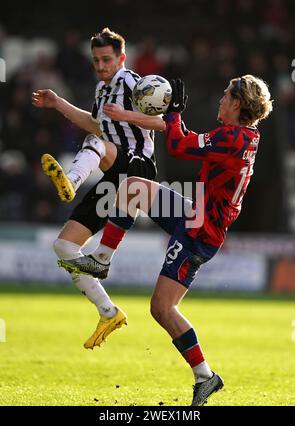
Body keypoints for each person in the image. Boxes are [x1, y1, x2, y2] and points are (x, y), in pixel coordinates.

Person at [58, 74, 273, 405]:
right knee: (132, 187)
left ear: (237, 104)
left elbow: (178, 144)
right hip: (195, 215)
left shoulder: (233, 138)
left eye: (225, 94)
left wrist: (172, 114)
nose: (220, 99)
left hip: (200, 233)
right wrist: (168, 118)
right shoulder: (241, 136)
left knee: (162, 308)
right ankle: (101, 260)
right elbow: (186, 139)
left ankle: (205, 376)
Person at [32, 28, 165, 350]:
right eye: (96, 61)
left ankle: (72, 181)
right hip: (112, 171)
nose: (102, 66)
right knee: (64, 247)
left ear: (122, 58)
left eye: (107, 59)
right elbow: (95, 124)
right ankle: (108, 312)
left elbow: (162, 122)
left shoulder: (134, 83)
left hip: (138, 168)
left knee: (96, 144)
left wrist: (125, 114)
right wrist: (58, 103)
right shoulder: (102, 90)